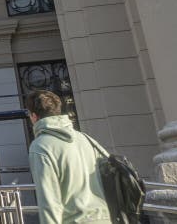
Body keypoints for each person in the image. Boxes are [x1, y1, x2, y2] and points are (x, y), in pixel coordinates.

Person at [26, 90, 112, 224]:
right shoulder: (86, 139)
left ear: (33, 116)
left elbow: (49, 200)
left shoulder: (40, 146)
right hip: (106, 218)